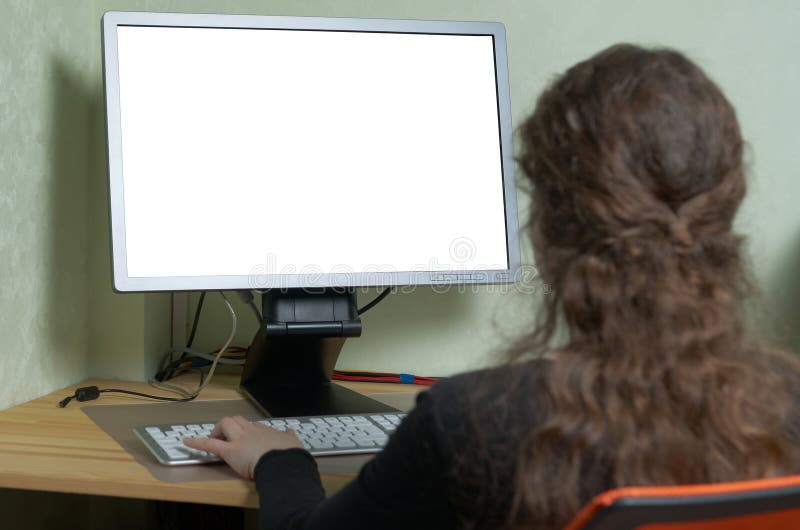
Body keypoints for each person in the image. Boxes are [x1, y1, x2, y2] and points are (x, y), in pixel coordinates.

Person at [184, 44, 800, 530]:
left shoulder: (478, 421)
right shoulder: (788, 404)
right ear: (726, 213)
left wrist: (280, 460)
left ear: (547, 222)